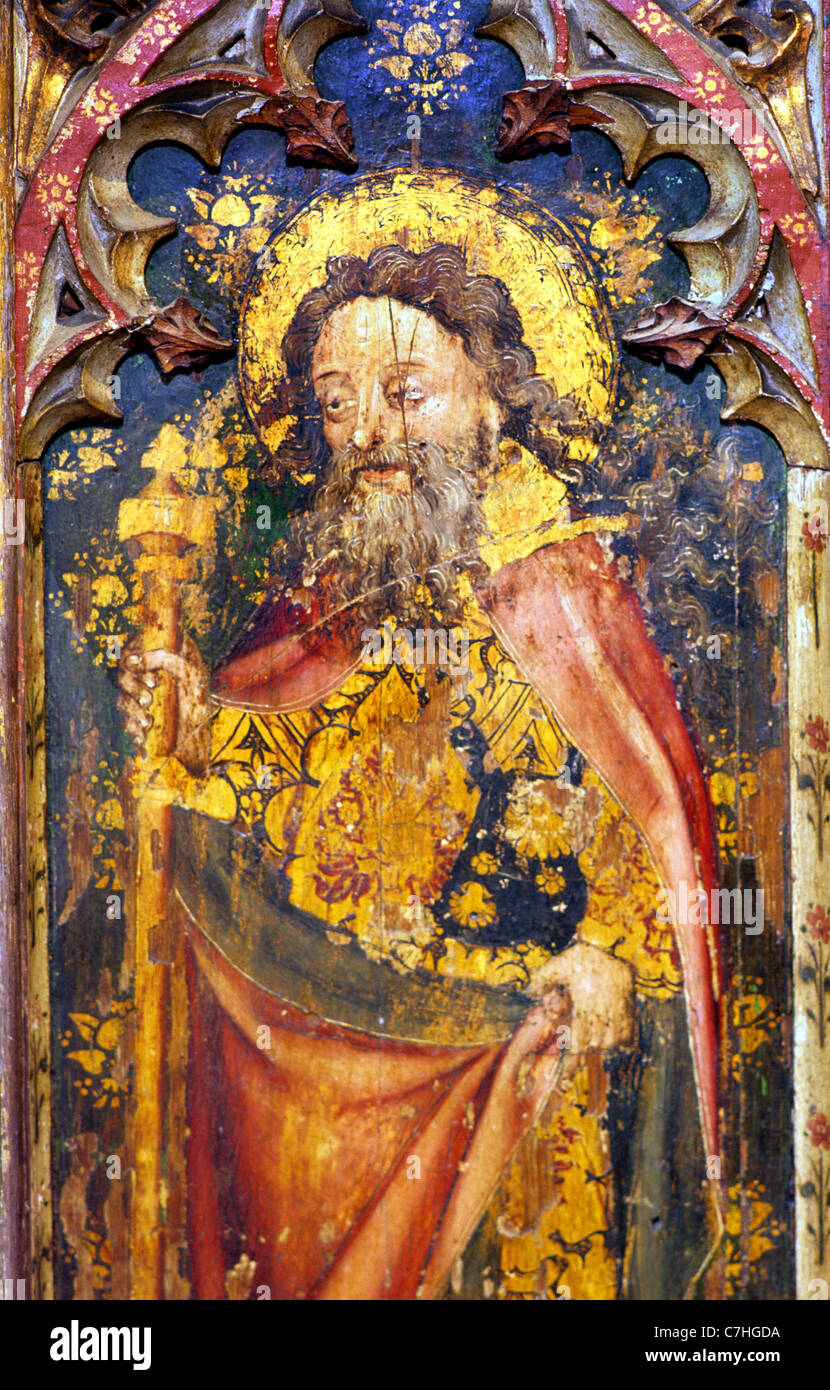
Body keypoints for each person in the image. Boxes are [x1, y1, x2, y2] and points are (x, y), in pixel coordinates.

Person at [118, 242, 722, 1300]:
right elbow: (262, 766)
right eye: (338, 404)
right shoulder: (324, 600)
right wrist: (195, 727)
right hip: (326, 1056)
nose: (368, 437)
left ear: (494, 402)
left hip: (518, 1060)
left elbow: (656, 822)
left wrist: (609, 953)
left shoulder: (564, 590)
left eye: (405, 393)